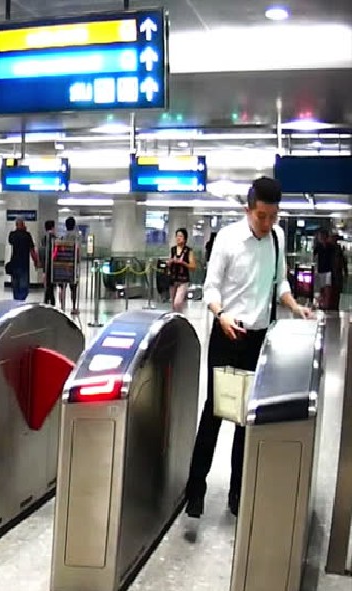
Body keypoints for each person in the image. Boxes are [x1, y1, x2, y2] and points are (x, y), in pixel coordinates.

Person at [185, 177, 313, 523]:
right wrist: (221, 315)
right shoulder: (227, 240)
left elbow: (280, 281)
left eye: (273, 216)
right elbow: (211, 288)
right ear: (248, 210)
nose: (267, 223)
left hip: (258, 339)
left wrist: (294, 305)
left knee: (246, 418)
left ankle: (237, 493)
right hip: (228, 335)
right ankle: (195, 490)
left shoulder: (278, 237)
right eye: (261, 216)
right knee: (215, 411)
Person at [7, 217, 39, 301]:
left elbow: (10, 241)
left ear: (16, 225)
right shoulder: (27, 235)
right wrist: (36, 261)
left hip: (14, 264)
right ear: (23, 224)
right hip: (24, 265)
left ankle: (16, 300)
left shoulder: (12, 235)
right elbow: (32, 250)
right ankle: (21, 301)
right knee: (24, 287)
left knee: (15, 285)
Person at [168, 228, 197, 313]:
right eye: (177, 236)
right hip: (173, 279)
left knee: (178, 303)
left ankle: (180, 318)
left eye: (180, 236)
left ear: (185, 238)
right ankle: (174, 321)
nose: (178, 238)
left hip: (183, 280)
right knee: (173, 304)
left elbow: (193, 267)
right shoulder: (173, 249)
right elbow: (169, 261)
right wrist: (169, 262)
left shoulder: (188, 251)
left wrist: (183, 263)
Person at [57, 217, 81, 315]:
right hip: (73, 265)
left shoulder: (62, 237)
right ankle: (74, 307)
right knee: (73, 287)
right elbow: (78, 251)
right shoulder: (77, 237)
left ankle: (61, 307)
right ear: (74, 225)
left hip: (63, 264)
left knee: (62, 287)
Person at [313, 228, 336, 309]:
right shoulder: (318, 246)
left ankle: (326, 304)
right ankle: (321, 303)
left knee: (327, 287)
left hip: (328, 269)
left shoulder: (330, 246)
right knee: (321, 288)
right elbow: (314, 254)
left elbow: (334, 255)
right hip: (320, 269)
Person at [40, 220, 57, 306]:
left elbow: (42, 251)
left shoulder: (43, 238)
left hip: (45, 266)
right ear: (53, 227)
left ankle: (46, 301)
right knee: (50, 286)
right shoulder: (54, 238)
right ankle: (50, 303)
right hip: (52, 266)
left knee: (47, 285)